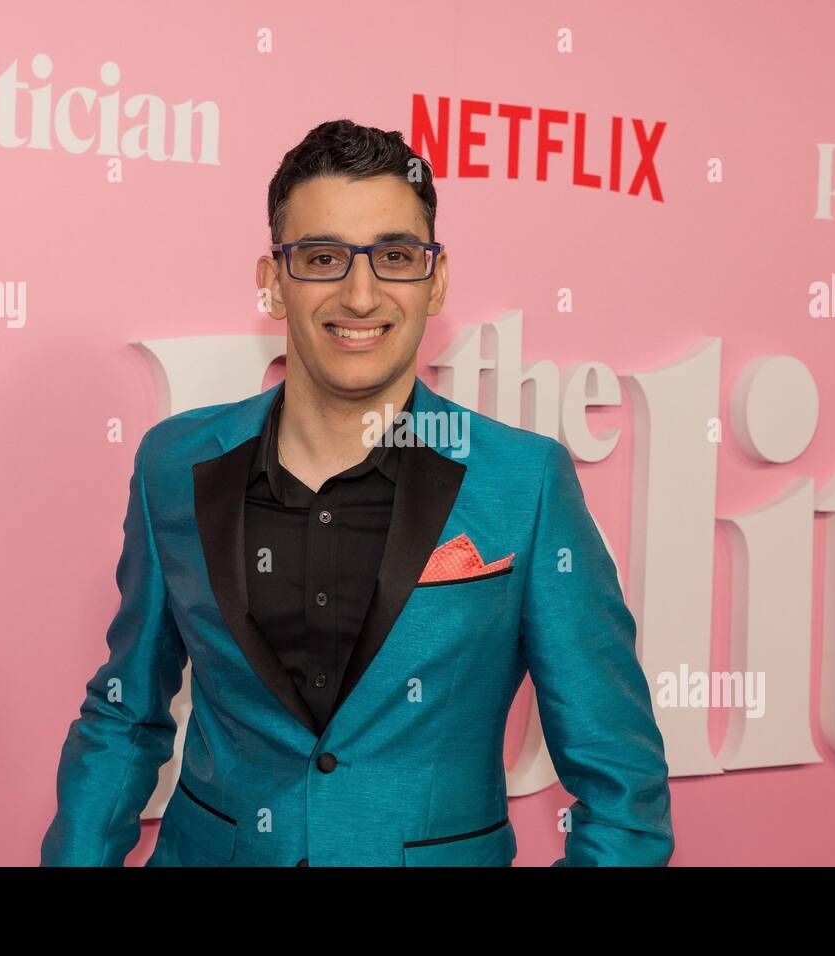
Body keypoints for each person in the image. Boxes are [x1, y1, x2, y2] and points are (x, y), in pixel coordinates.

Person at [39, 118, 673, 866]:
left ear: (434, 280)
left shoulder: (525, 484)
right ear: (274, 282)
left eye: (396, 257)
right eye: (323, 257)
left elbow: (623, 793)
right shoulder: (173, 466)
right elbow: (124, 716)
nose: (362, 294)